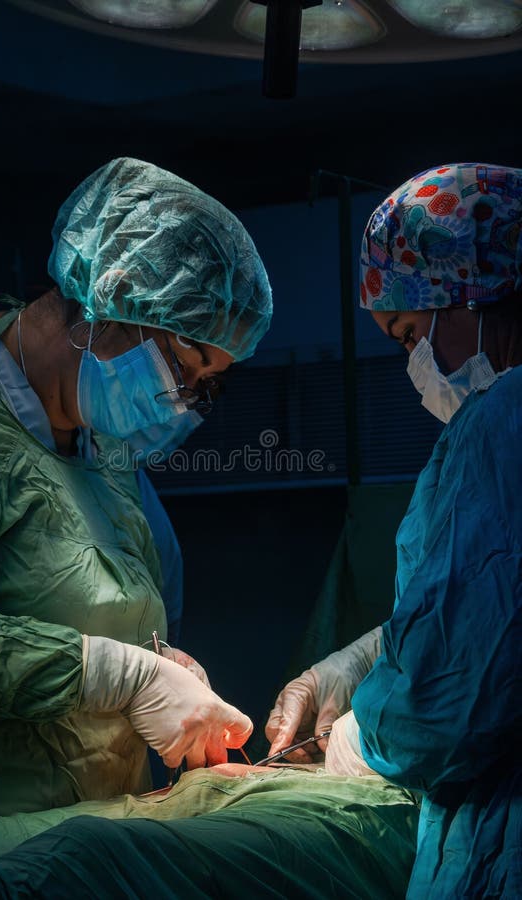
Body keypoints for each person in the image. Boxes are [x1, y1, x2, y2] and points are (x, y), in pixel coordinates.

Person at [0, 157, 272, 823]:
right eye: (182, 365)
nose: (181, 402)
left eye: (207, 385)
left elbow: (75, 596)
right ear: (109, 298)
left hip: (92, 836)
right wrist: (110, 673)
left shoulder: (101, 443)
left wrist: (156, 659)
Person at [266, 163, 522, 897]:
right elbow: (502, 606)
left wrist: (358, 738)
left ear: (469, 289)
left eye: (411, 332)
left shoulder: (502, 424)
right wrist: (362, 660)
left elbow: (453, 706)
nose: (416, 363)